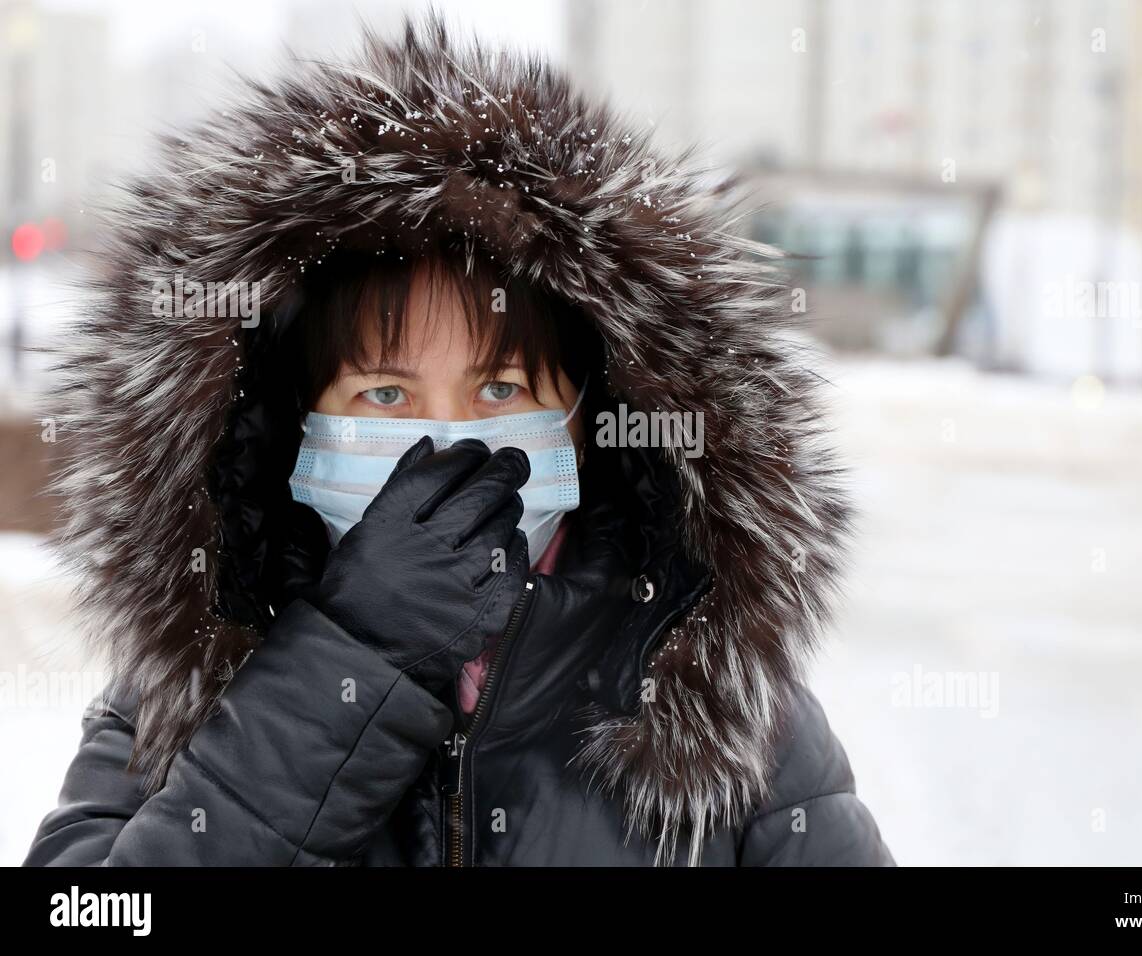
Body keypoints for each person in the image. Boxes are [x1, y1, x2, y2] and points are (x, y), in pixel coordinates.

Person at [24, 13, 893, 866]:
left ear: (589, 428)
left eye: (501, 388)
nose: (445, 440)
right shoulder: (189, 685)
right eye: (387, 391)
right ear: (292, 426)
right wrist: (349, 655)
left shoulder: (718, 704)